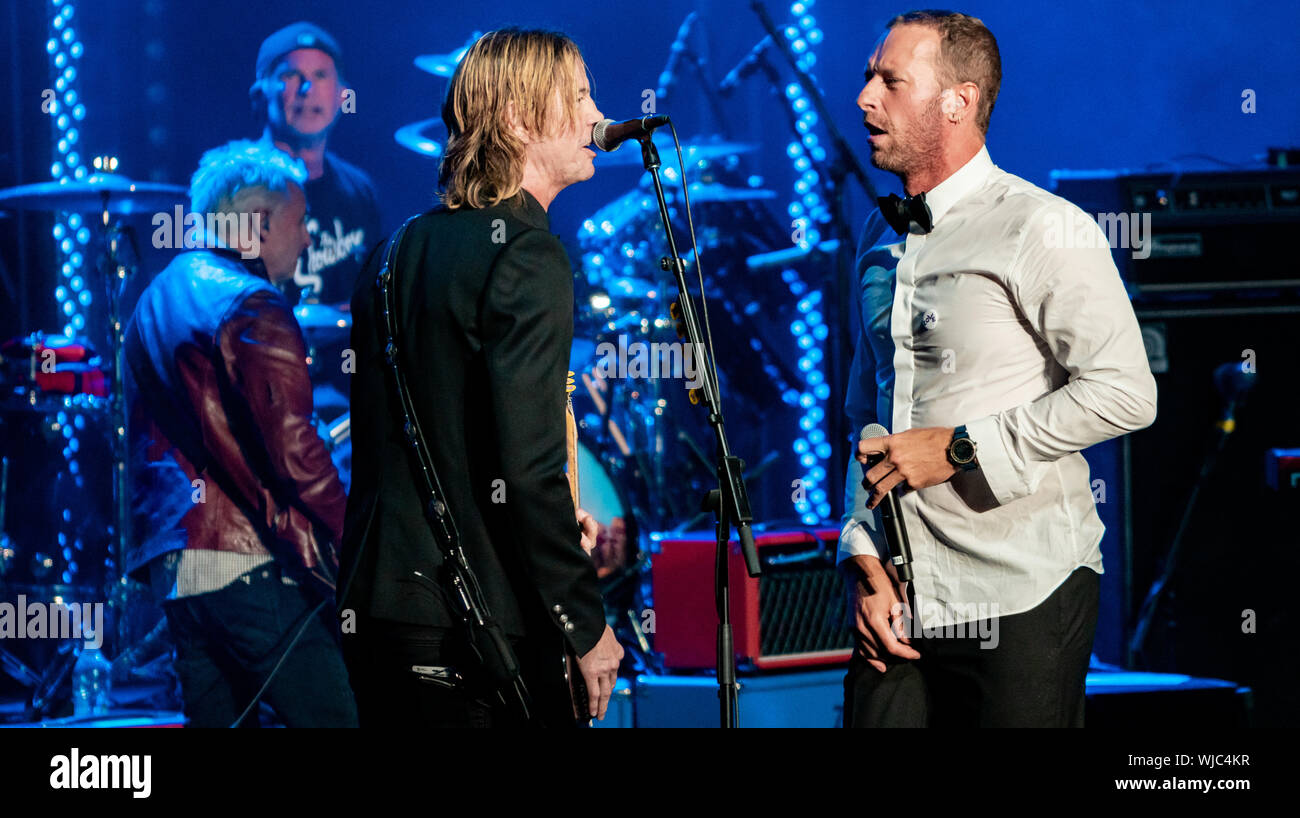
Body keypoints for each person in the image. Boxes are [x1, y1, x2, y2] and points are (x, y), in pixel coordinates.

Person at [838, 10, 1157, 727]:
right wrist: (860, 554)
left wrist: (959, 448)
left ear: (960, 100)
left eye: (891, 80)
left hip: (1021, 590)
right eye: (868, 77)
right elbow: (865, 413)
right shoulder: (877, 235)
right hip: (902, 594)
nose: (865, 97)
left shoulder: (1043, 225)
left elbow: (1125, 393)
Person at [339, 28, 622, 728]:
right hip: (472, 628)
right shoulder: (527, 254)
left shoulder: (393, 252)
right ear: (521, 118)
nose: (598, 116)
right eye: (580, 95)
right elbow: (525, 473)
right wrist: (584, 621)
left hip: (379, 608)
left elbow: (430, 444)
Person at [125, 140, 357, 727]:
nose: (307, 238)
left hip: (178, 573)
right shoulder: (252, 304)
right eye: (299, 221)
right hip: (247, 564)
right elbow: (296, 454)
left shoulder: (154, 300)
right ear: (255, 224)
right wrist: (357, 542)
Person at [250, 21, 382, 307]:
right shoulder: (233, 191)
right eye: (291, 75)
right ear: (261, 94)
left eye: (321, 75)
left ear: (342, 96)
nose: (307, 89)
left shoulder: (360, 190)